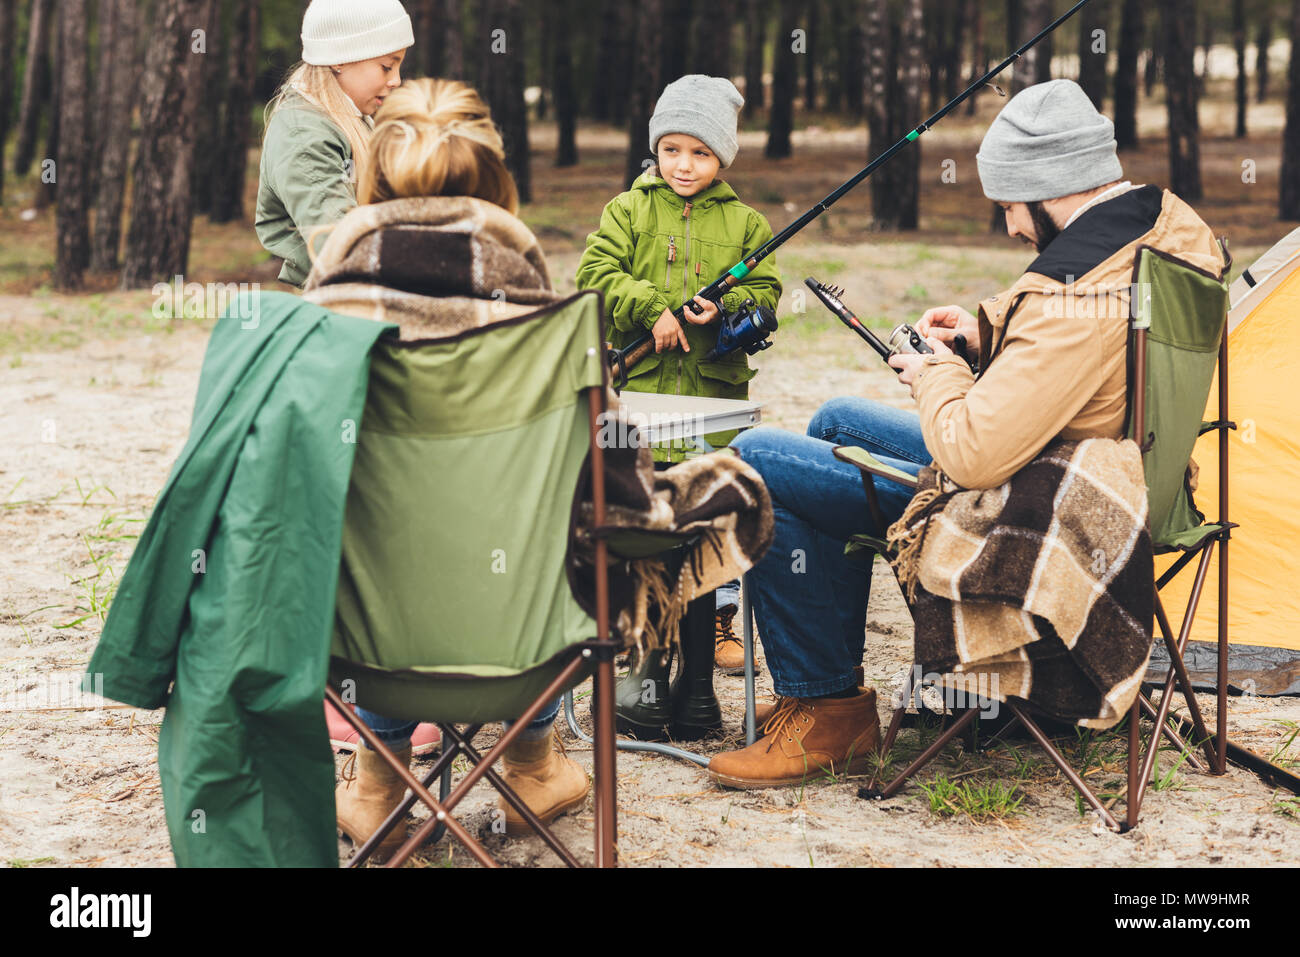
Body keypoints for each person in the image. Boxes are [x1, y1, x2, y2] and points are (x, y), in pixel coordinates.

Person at [705, 79, 1227, 789]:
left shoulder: (1069, 302)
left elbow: (972, 451)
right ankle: (827, 689)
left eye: (1012, 205)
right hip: (1123, 476)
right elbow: (1087, 348)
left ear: (1051, 188)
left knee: (757, 458)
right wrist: (987, 333)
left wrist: (932, 373)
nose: (1011, 226)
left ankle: (829, 713)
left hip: (1038, 508)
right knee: (833, 421)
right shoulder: (1164, 230)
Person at [305, 79, 588, 861]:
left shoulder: (327, 307)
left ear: (373, 174)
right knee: (568, 521)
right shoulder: (545, 318)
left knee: (373, 533)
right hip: (521, 638)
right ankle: (532, 757)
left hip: (359, 641)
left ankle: (375, 782)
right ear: (494, 177)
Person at [575, 75, 783, 675]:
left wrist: (729, 310)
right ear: (655, 148)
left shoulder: (747, 225)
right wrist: (648, 308)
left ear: (723, 155)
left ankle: (715, 618)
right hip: (639, 400)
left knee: (710, 508)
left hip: (712, 399)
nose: (684, 165)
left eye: (700, 153)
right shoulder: (628, 209)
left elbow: (766, 296)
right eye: (671, 150)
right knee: (644, 509)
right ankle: (638, 620)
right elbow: (595, 272)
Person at [255, 0, 414, 289]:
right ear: (339, 59)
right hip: (340, 302)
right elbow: (336, 242)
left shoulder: (350, 117)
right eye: (387, 66)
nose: (396, 81)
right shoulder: (302, 134)